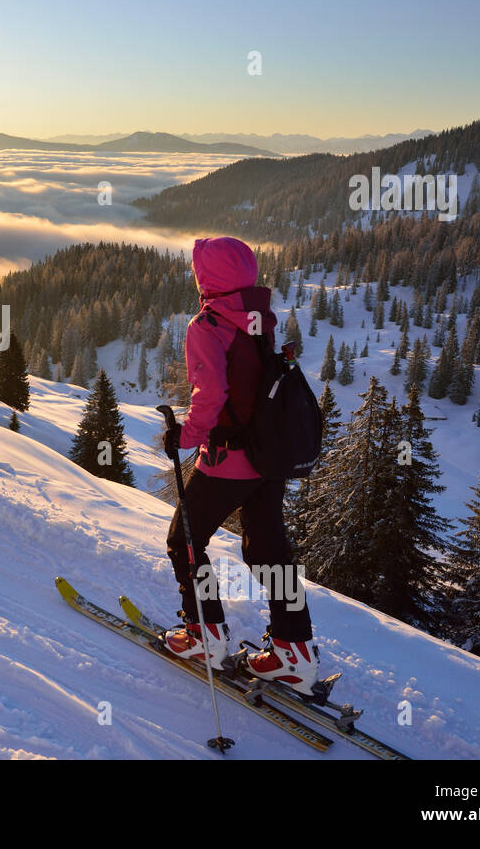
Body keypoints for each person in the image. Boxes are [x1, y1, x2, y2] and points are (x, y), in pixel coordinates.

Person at [158, 236, 319, 693]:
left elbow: (211, 398)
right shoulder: (258, 318)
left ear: (206, 279)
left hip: (228, 459)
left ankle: (204, 635)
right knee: (269, 553)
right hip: (267, 460)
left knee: (184, 541)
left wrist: (182, 438)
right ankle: (295, 652)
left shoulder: (207, 325)